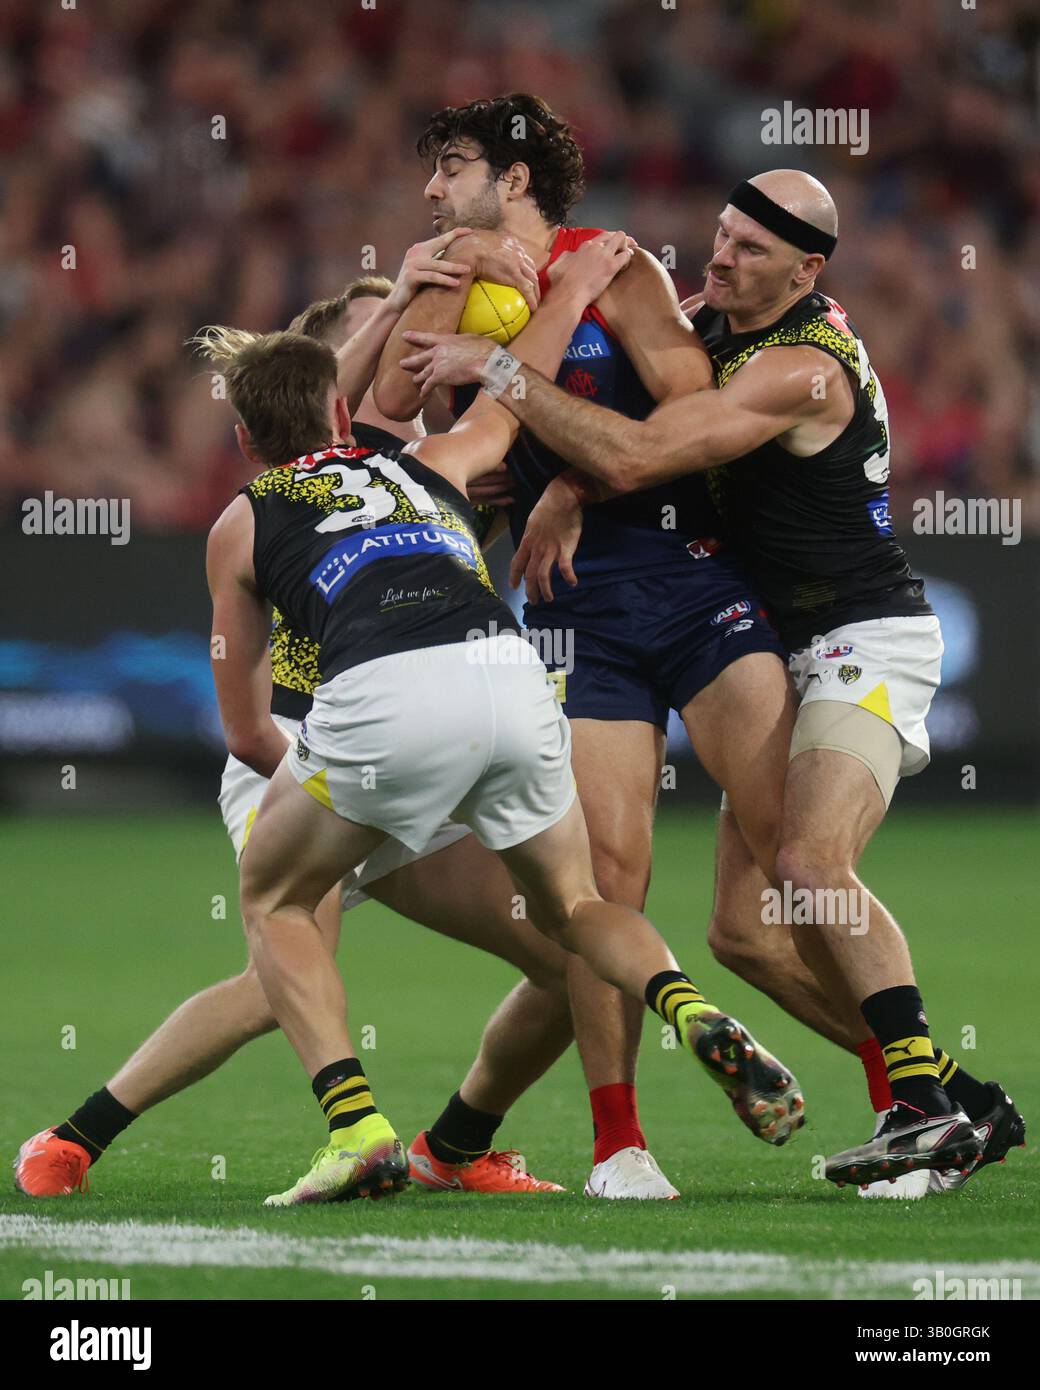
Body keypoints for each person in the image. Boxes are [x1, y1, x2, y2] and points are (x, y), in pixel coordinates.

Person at [399, 169, 1024, 1192]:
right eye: (719, 237)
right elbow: (621, 425)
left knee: (810, 866)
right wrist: (561, 481)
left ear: (805, 271)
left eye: (746, 251)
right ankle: (945, 1093)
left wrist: (498, 372)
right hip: (784, 640)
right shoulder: (712, 323)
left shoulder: (796, 366)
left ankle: (915, 1105)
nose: (717, 260)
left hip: (860, 640)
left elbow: (644, 452)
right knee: (741, 933)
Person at [198, 229, 803, 1206]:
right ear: (346, 411)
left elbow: (242, 730)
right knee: (577, 910)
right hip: (509, 677)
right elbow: (506, 391)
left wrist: (333, 810)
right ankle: (683, 1003)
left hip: (383, 705)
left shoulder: (245, 516)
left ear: (242, 442)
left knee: (272, 897)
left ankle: (355, 1125)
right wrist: (570, 291)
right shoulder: (426, 464)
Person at [14, 245, 573, 1202]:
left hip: (404, 753)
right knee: (274, 985)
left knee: (566, 963)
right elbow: (330, 391)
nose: (413, 342)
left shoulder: (417, 457)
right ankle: (74, 1139)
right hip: (297, 751)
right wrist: (396, 295)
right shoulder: (343, 450)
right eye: (389, 334)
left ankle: (455, 1143)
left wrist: (561, 486)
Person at [374, 94, 800, 1200]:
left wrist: (567, 476)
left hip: (687, 575)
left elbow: (688, 406)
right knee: (602, 886)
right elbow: (402, 430)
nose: (431, 190)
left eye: (452, 165)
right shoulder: (441, 278)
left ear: (513, 179)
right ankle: (617, 1146)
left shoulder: (618, 270)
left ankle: (912, 1085)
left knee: (792, 864)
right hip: (562, 613)